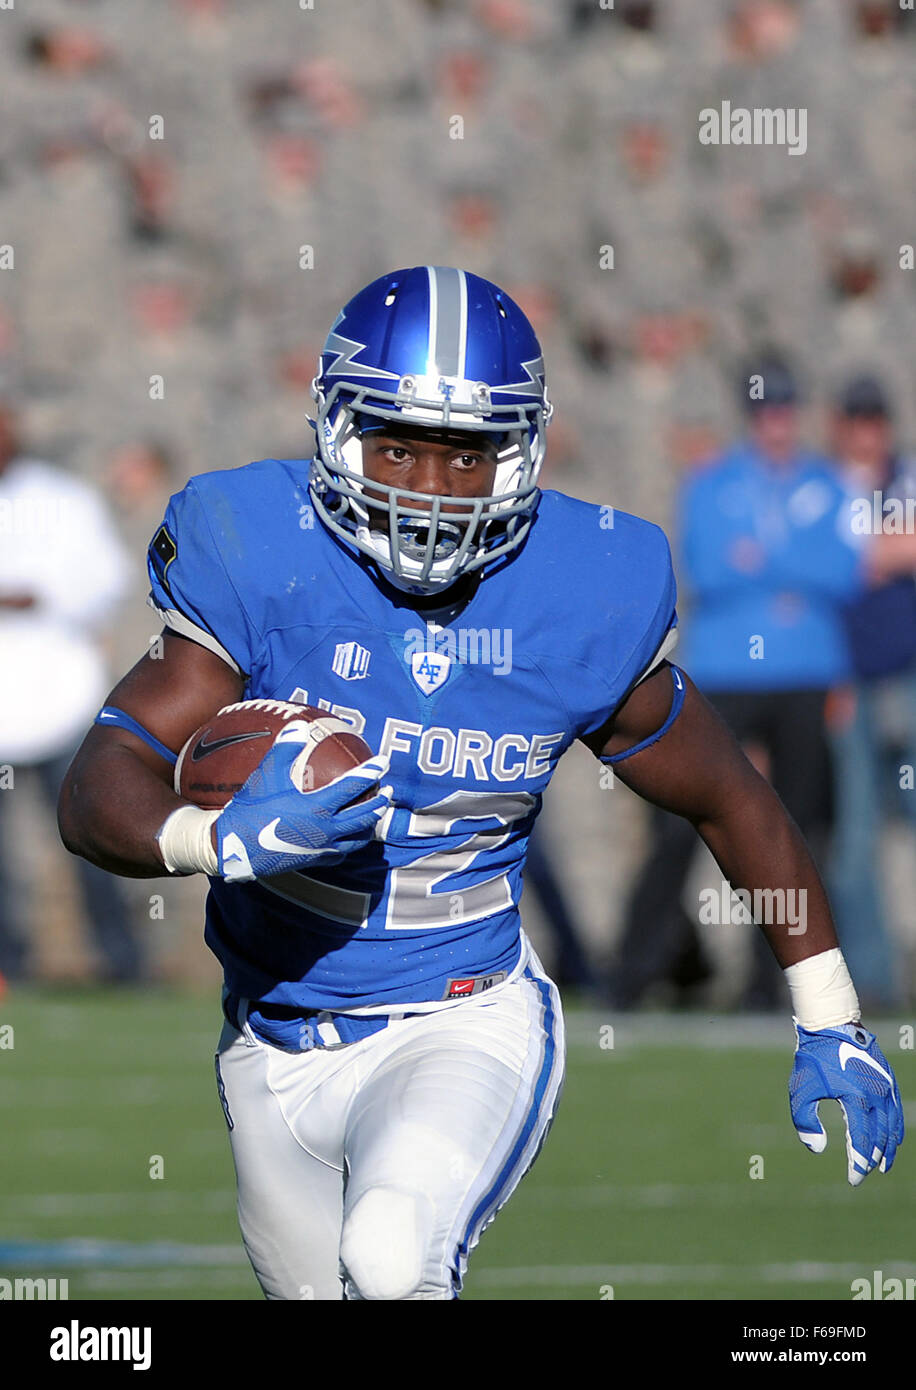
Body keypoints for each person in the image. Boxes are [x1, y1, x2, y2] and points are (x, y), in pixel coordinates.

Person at [58, 269, 902, 1301]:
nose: (426, 486)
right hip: (271, 1040)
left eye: (468, 455)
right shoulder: (264, 553)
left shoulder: (578, 590)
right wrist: (211, 839)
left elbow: (731, 798)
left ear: (524, 455)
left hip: (460, 1018)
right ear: (333, 430)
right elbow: (104, 774)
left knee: (391, 1254)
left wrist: (829, 1017)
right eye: (397, 445)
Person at [609, 356, 864, 1011]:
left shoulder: (827, 483)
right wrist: (789, 577)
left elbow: (844, 569)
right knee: (680, 821)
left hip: (805, 673)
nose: (775, 423)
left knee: (794, 828)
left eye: (784, 409)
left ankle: (771, 982)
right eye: (764, 411)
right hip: (726, 670)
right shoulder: (713, 482)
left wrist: (769, 562)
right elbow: (707, 568)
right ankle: (633, 971)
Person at [0, 398, 143, 983]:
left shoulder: (63, 500)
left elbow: (109, 578)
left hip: (58, 698)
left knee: (90, 833)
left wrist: (39, 594)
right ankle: (10, 967)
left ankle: (123, 964)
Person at [828, 374, 916, 1009]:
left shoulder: (903, 477)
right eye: (856, 421)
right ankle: (874, 978)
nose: (867, 433)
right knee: (855, 835)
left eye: (874, 420)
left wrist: (866, 551)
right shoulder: (823, 486)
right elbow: (818, 565)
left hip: (907, 675)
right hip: (850, 682)